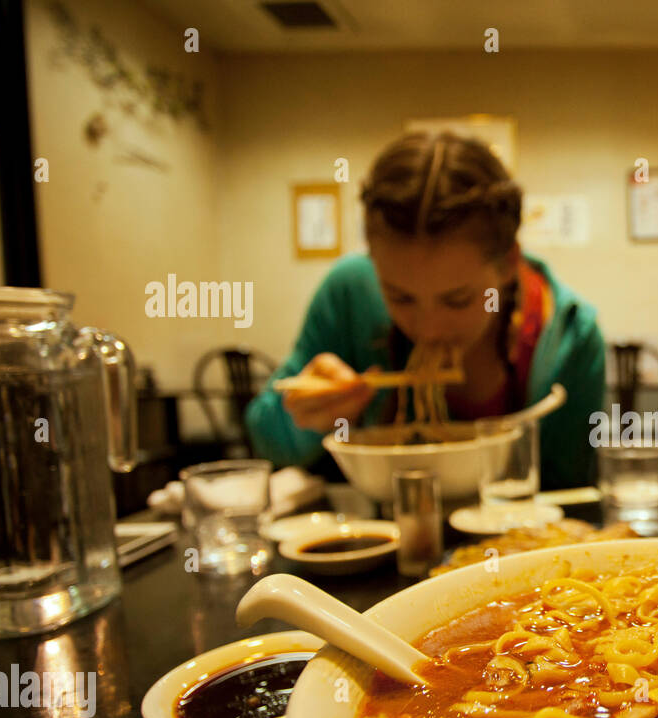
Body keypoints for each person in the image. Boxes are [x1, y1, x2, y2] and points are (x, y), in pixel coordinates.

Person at [246, 131, 605, 489]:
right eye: (400, 297)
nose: (428, 329)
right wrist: (309, 416)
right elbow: (267, 439)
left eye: (457, 300)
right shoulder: (349, 295)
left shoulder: (571, 336)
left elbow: (567, 489)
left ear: (509, 262)